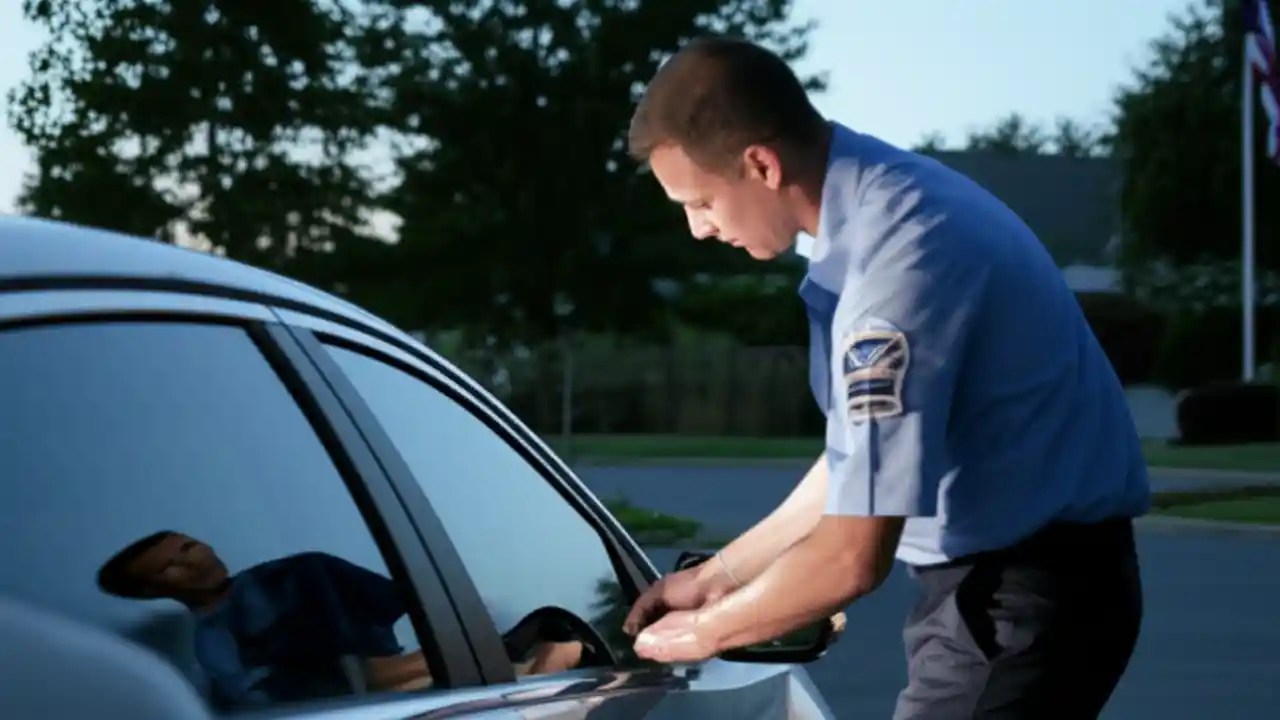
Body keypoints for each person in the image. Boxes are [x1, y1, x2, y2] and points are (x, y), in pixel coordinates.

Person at [620, 36, 1150, 719]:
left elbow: (850, 558)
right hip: (1026, 591)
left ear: (760, 164)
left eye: (700, 203)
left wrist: (698, 636)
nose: (698, 228)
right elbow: (858, 466)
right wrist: (717, 577)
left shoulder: (896, 267)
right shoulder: (890, 204)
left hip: (1017, 604)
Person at [98, 531, 583, 711]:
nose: (192, 561)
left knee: (566, 648)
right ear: (151, 592)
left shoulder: (304, 570)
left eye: (188, 546)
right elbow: (289, 701)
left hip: (430, 682)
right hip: (382, 699)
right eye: (169, 567)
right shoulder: (213, 650)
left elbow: (413, 603)